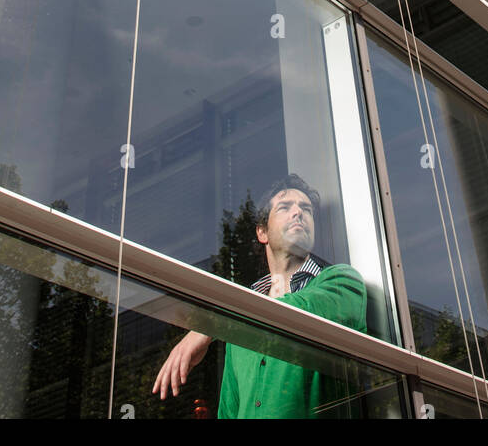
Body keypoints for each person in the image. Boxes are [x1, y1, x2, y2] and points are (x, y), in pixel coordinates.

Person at [152, 174, 367, 419]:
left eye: (306, 209)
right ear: (262, 232)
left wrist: (213, 322)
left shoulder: (341, 282)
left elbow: (299, 314)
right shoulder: (238, 324)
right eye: (285, 207)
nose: (298, 212)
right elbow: (229, 412)